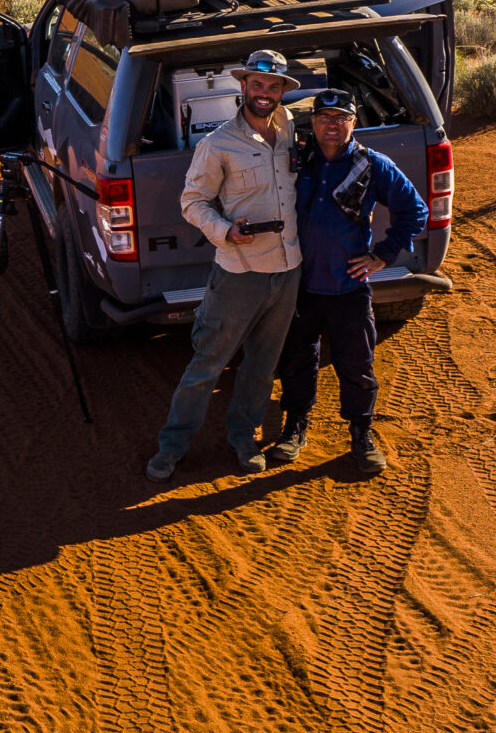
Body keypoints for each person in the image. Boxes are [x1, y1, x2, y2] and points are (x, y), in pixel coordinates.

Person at [146, 49, 304, 483]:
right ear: (243, 86)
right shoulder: (218, 144)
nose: (265, 94)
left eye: (273, 87)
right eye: (257, 85)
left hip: (288, 268)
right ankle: (173, 446)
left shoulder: (289, 128)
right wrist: (225, 231)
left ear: (282, 92)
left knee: (262, 363)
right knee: (208, 362)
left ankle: (243, 437)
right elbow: (192, 202)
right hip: (238, 273)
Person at [267, 87, 426, 480]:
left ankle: (361, 432)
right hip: (300, 282)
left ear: (354, 123)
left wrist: (383, 256)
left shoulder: (373, 165)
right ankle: (295, 427)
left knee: (357, 363)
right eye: (324, 118)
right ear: (314, 123)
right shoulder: (297, 161)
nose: (332, 125)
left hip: (348, 285)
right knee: (297, 360)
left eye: (341, 118)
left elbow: (415, 211)